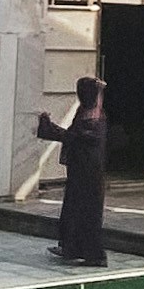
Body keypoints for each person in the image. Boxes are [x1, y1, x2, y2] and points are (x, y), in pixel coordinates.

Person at [34, 74, 108, 267]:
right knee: (73, 210)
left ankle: (93, 255)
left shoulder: (95, 119)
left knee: (87, 213)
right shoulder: (85, 112)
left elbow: (75, 137)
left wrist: (49, 128)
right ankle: (71, 247)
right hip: (80, 171)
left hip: (90, 173)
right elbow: (73, 136)